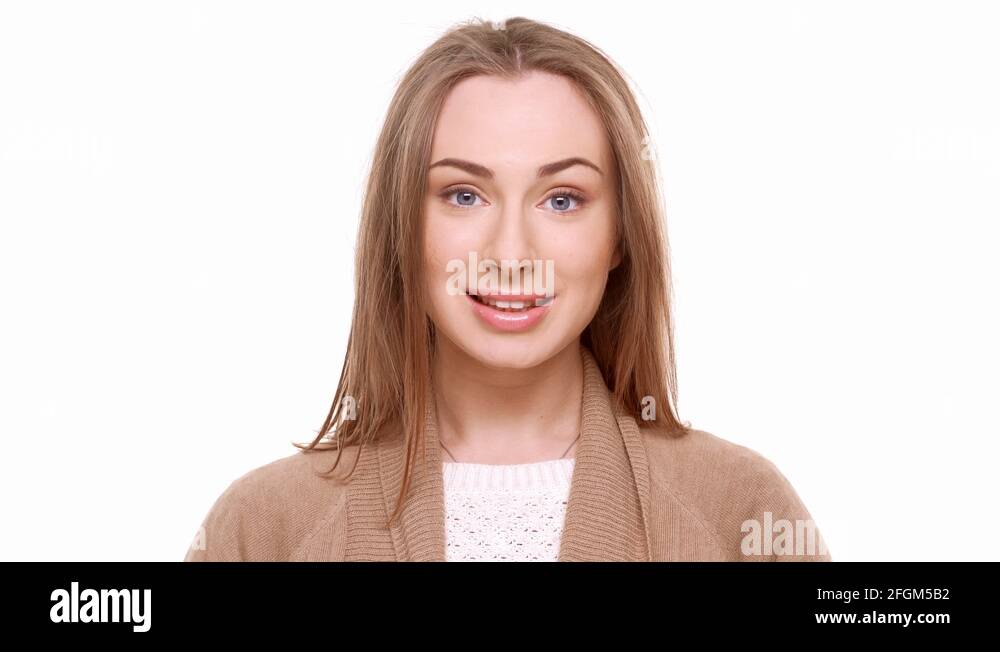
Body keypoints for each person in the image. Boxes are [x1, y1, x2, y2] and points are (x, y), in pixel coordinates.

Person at [184, 16, 830, 562]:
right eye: (464, 195)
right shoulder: (264, 528)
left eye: (562, 199)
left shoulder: (738, 510)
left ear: (620, 237)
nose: (512, 254)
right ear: (402, 227)